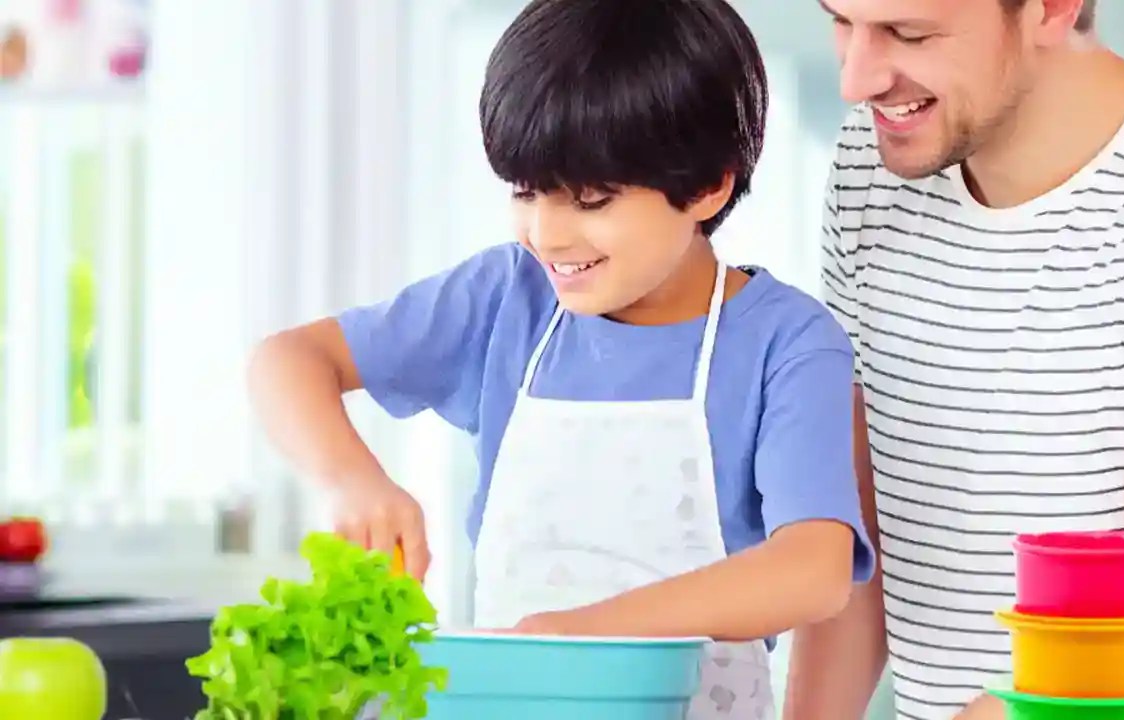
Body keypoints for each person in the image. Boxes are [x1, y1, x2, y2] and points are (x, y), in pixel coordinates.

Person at [248, 0, 874, 717]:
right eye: (526, 192)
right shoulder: (505, 298)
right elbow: (288, 360)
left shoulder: (786, 342)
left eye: (591, 199)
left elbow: (813, 571)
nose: (545, 234)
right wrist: (356, 483)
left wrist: (579, 642)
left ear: (708, 186)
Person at [784, 0, 1124, 718]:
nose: (856, 79)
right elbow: (862, 541)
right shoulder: (875, 163)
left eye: (908, 33)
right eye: (841, 20)